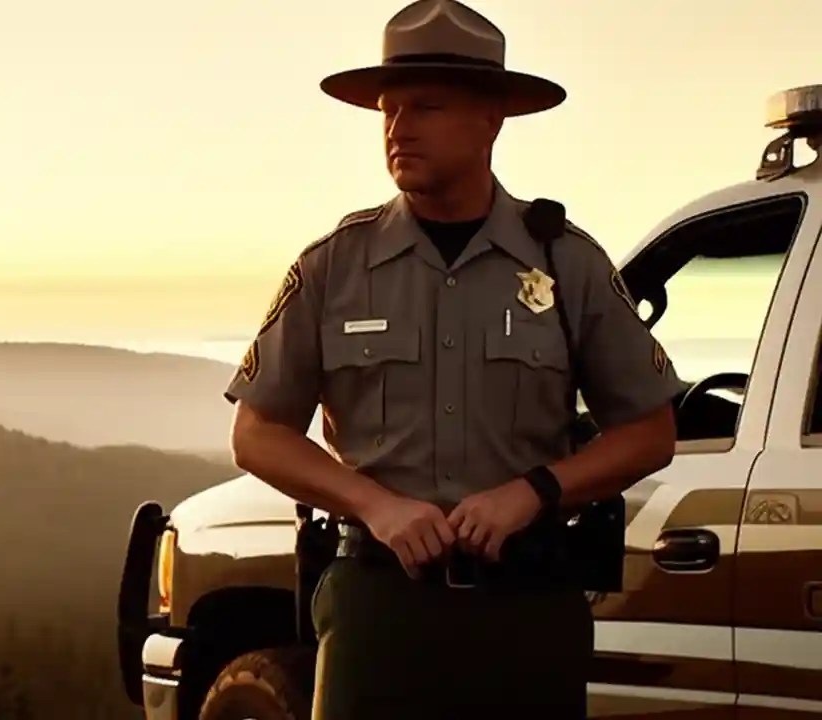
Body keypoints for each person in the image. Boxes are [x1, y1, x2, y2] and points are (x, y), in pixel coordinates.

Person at [223, 0, 687, 717]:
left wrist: (532, 492)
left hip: (527, 611)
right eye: (388, 111)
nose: (398, 130)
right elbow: (257, 434)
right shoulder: (334, 267)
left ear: (490, 118)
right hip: (378, 611)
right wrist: (377, 506)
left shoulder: (567, 264)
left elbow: (650, 432)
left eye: (426, 108)